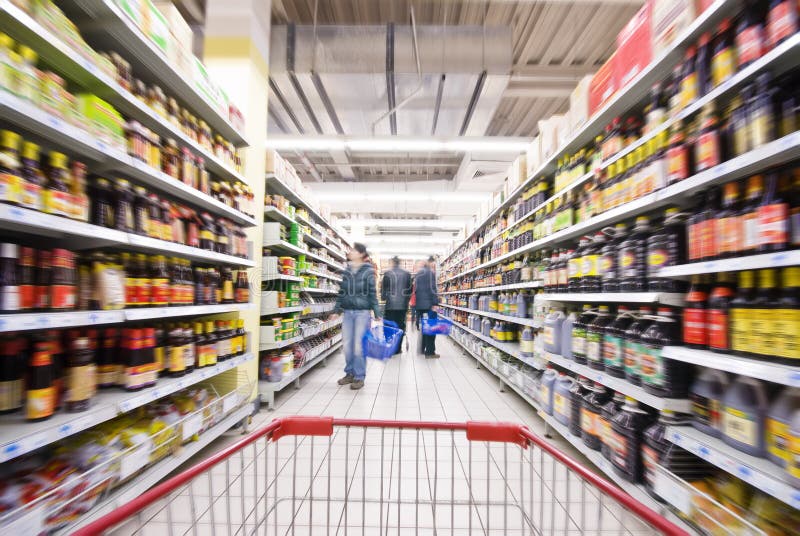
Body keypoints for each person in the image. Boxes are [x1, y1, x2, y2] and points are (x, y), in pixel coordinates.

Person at [335, 243, 381, 390]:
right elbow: (342, 291)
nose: (350, 252)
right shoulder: (347, 270)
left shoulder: (368, 271)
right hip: (348, 312)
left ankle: (359, 376)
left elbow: (372, 293)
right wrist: (336, 309)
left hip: (362, 312)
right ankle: (349, 373)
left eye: (353, 250)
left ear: (361, 254)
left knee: (358, 346)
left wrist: (377, 312)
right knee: (347, 345)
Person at [381, 256, 412, 353]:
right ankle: (398, 349)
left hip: (390, 305)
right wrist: (406, 301)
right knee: (400, 326)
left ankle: (390, 346)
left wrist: (384, 297)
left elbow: (384, 290)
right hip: (402, 306)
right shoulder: (407, 274)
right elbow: (409, 290)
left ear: (392, 263)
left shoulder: (387, 273)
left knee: (389, 326)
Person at [414, 256, 440, 358]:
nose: (434, 267)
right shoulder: (430, 273)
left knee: (424, 327)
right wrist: (435, 303)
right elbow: (433, 289)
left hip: (420, 305)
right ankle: (430, 352)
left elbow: (416, 290)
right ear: (430, 263)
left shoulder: (418, 274)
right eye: (434, 264)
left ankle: (422, 348)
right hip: (429, 305)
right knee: (431, 328)